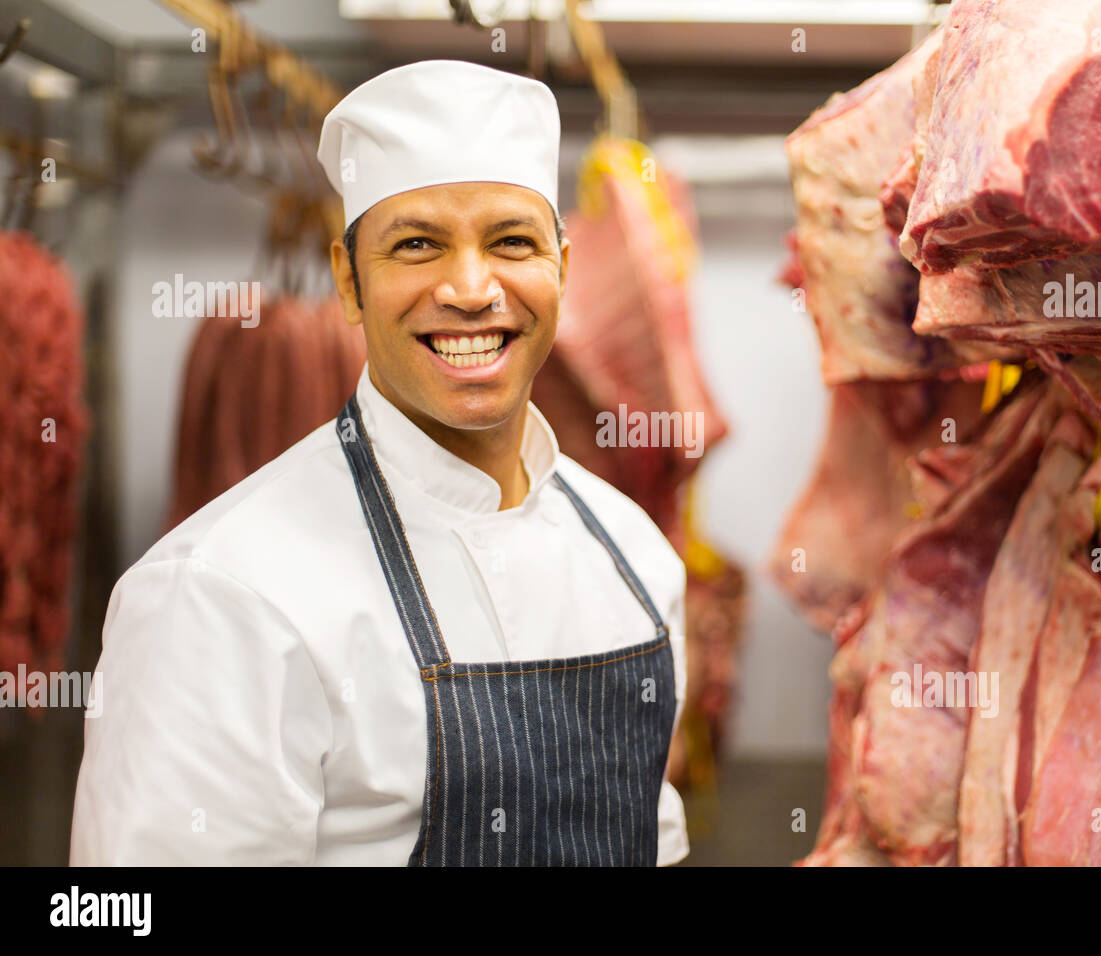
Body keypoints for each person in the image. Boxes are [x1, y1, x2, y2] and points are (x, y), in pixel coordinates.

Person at [70, 59, 689, 866]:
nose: (471, 288)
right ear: (349, 283)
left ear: (562, 270)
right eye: (418, 245)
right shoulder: (220, 592)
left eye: (511, 241)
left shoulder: (632, 552)